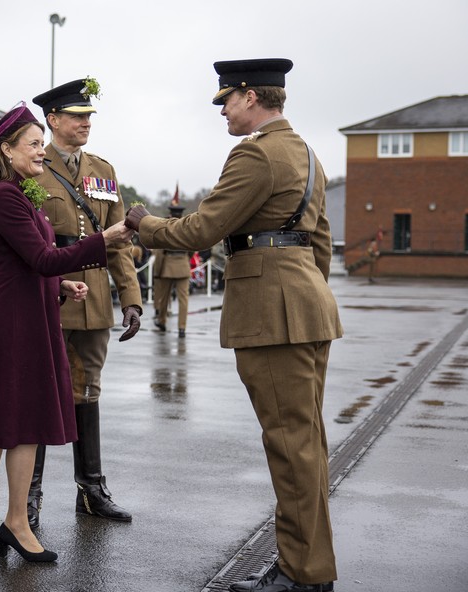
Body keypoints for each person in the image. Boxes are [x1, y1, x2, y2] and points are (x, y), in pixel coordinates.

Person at [125, 58, 342, 592]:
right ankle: (303, 563)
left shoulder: (257, 153)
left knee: (290, 446)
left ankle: (304, 574)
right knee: (306, 443)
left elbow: (203, 228)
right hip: (307, 305)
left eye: (225, 100)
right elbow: (321, 243)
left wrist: (141, 223)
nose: (221, 110)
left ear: (249, 96)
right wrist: (308, 295)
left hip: (273, 314)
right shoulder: (306, 154)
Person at [0, 102, 133, 562]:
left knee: (1, 421)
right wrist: (104, 241)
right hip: (14, 318)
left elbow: (31, 261)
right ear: (7, 150)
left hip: (23, 308)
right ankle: (16, 520)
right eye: (33, 144)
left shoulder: (18, 190)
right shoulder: (7, 196)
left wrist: (60, 282)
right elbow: (41, 258)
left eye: (40, 143)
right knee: (22, 422)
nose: (40, 151)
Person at [27, 78, 143, 527]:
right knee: (39, 393)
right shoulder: (35, 164)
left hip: (93, 296)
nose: (85, 123)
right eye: (77, 116)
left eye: (89, 116)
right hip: (50, 290)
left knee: (87, 390)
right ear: (53, 120)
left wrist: (129, 297)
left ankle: (91, 490)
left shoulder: (103, 170)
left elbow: (118, 243)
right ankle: (29, 495)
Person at [151, 203, 191, 337]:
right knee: (183, 299)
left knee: (164, 297)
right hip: (183, 264)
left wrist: (158, 269)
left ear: (171, 213)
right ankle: (182, 327)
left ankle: (162, 320)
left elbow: (160, 251)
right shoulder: (187, 227)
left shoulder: (166, 227)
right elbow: (193, 246)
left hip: (167, 265)